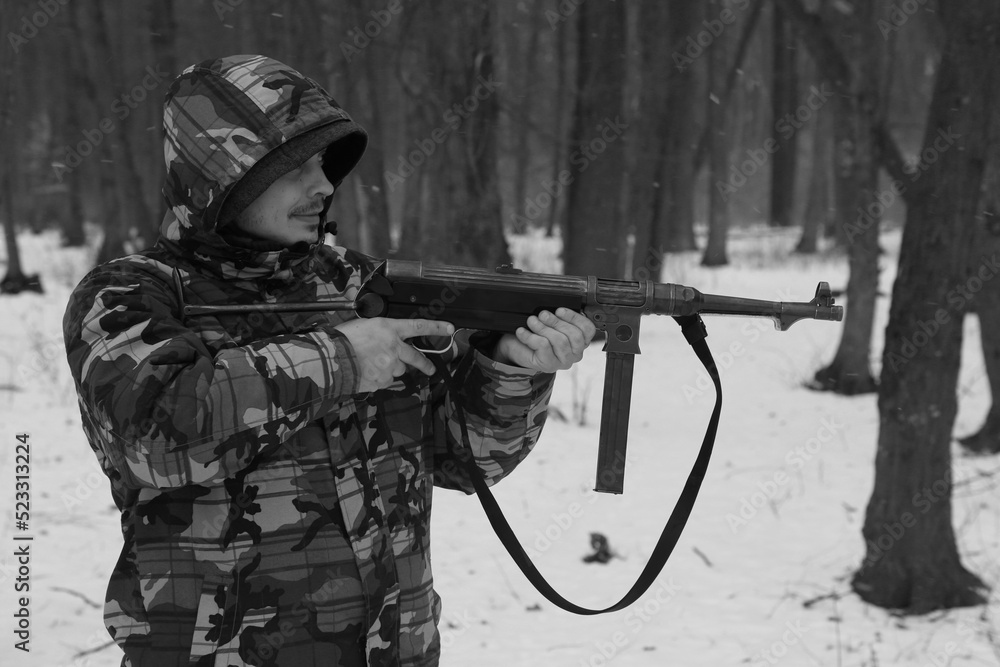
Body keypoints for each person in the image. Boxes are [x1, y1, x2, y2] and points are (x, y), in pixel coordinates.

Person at [62, 54, 595, 667]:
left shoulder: (360, 285)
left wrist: (511, 369)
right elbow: (154, 437)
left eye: (323, 166)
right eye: (294, 169)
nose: (322, 186)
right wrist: (341, 358)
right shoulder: (128, 297)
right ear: (221, 174)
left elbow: (464, 458)